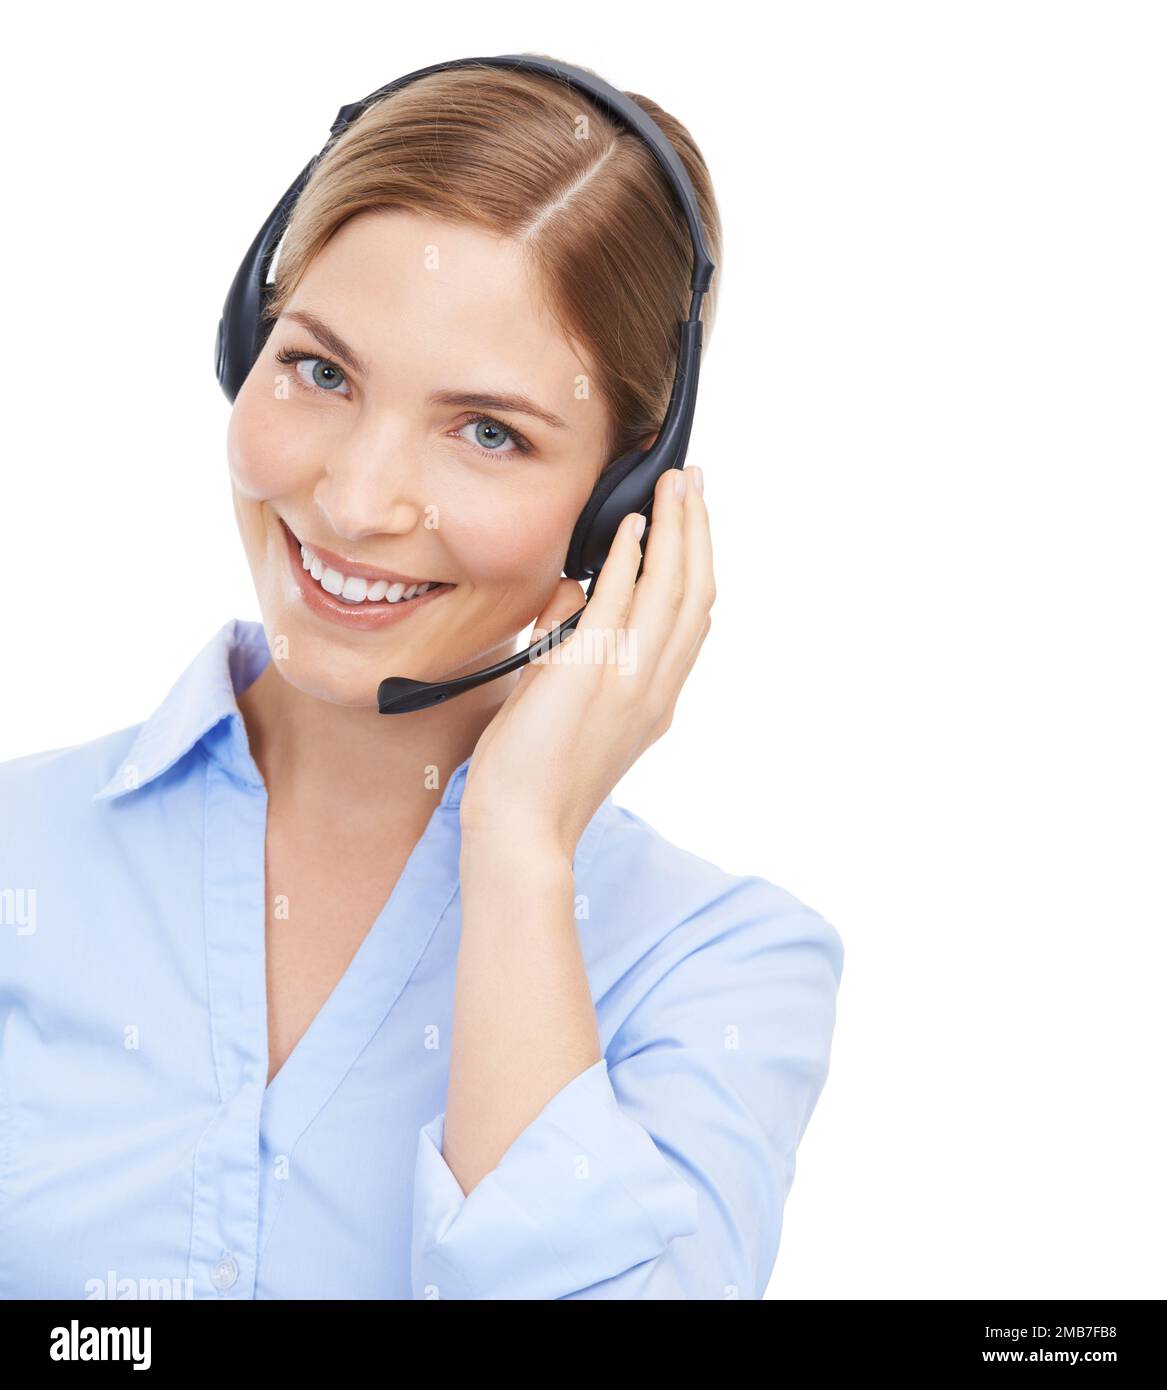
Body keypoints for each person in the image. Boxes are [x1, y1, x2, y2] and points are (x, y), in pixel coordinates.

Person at [0, 57, 843, 1300]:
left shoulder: (721, 967)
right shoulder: (22, 855)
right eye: (320, 371)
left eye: (488, 431)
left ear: (620, 505)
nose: (352, 499)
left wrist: (516, 846)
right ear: (245, 345)